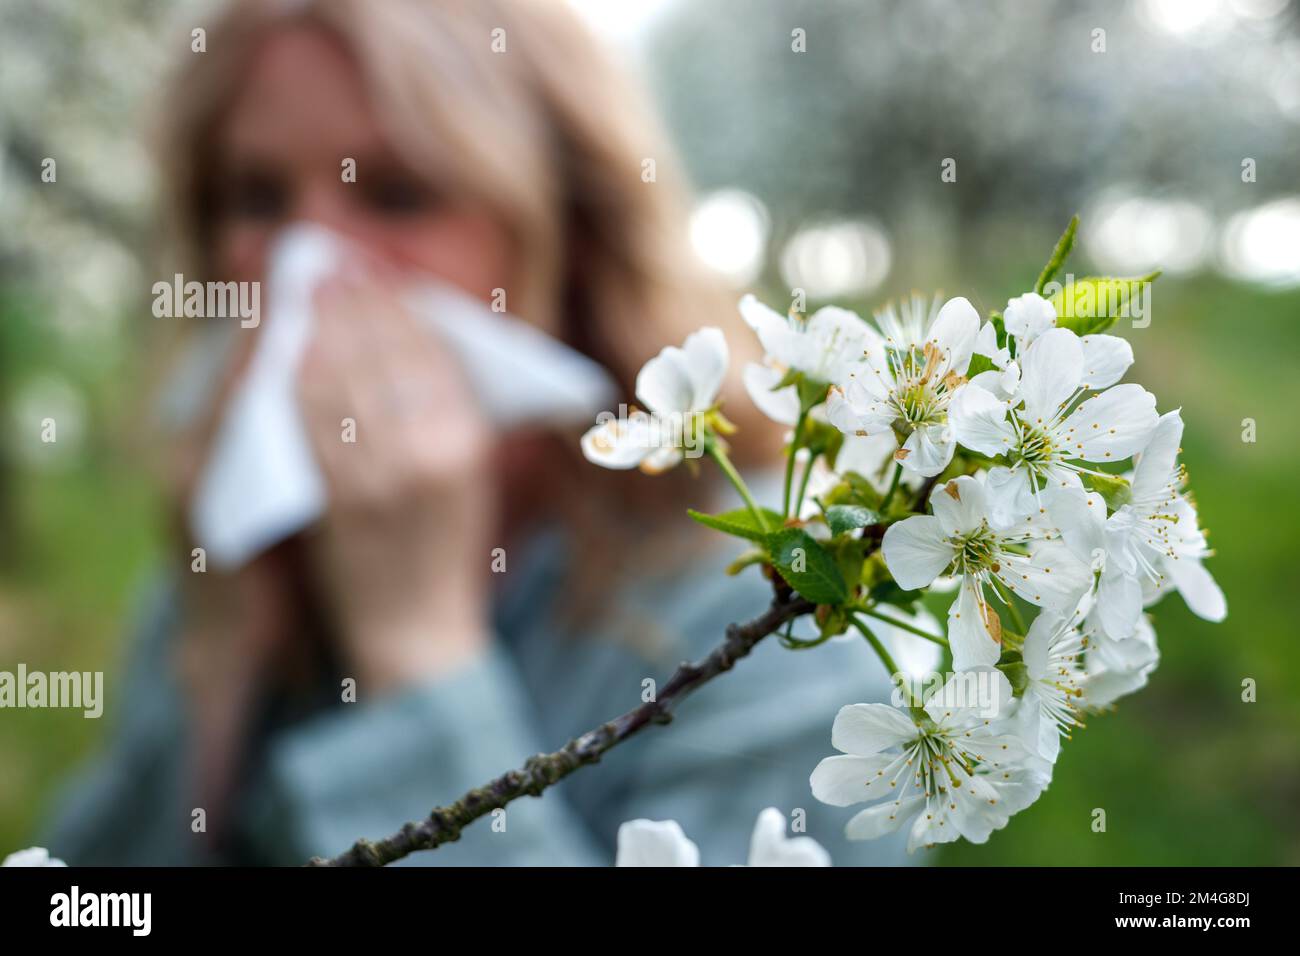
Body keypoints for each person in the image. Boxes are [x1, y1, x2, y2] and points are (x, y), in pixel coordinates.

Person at [43, 0, 910, 866]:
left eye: (396, 194)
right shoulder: (244, 555)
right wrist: (214, 666)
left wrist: (415, 649)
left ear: (571, 234)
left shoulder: (773, 614)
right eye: (258, 198)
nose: (308, 262)